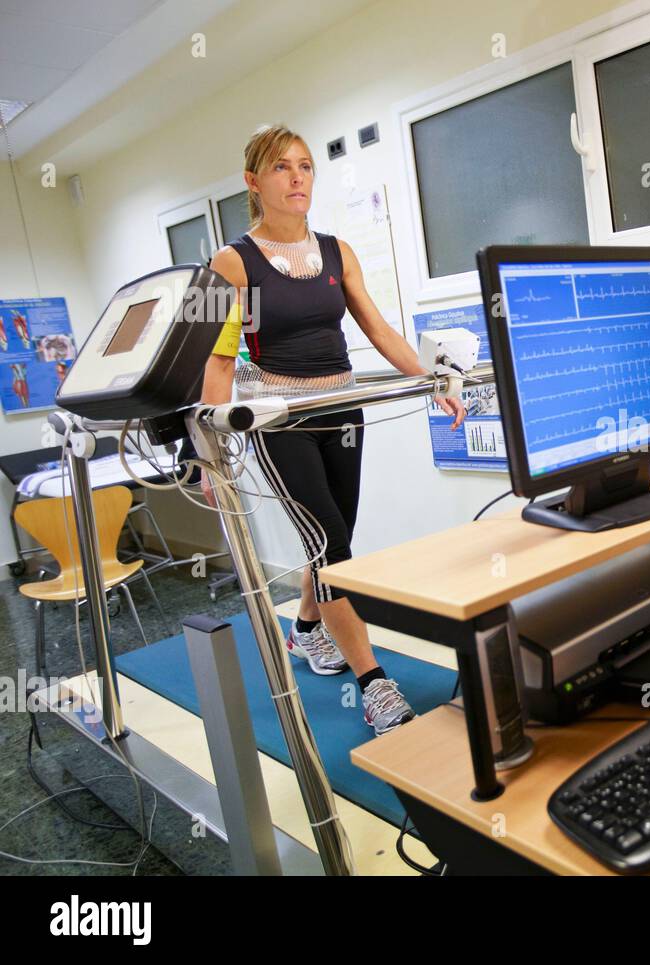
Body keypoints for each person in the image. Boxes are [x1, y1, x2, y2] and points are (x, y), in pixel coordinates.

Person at [202, 123, 465, 735]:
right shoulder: (231, 263)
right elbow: (218, 358)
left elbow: (377, 329)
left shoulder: (336, 250)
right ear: (253, 182)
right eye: (281, 168)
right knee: (333, 548)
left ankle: (306, 630)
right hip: (281, 419)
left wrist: (437, 379)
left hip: (343, 413)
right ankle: (374, 685)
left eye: (305, 167)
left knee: (332, 537)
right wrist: (211, 452)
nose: (297, 178)